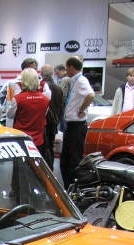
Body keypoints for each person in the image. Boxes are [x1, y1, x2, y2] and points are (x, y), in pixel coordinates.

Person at [60, 55, 94, 189]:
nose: (66, 70)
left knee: (73, 160)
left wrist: (81, 109)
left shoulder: (81, 80)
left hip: (77, 126)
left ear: (71, 67)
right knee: (66, 160)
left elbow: (91, 95)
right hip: (72, 126)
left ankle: (74, 188)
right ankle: (68, 186)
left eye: (67, 68)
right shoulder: (75, 80)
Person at [5, 68, 49, 161]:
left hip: (21, 139)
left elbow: (9, 115)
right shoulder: (45, 99)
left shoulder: (18, 99)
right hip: (38, 140)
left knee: (20, 168)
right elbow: (44, 115)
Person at [40, 64, 62, 168]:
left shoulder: (40, 87)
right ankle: (51, 170)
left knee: (43, 149)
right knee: (50, 147)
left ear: (41, 73)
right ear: (53, 73)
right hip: (54, 123)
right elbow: (61, 107)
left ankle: (44, 172)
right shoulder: (58, 88)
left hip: (43, 123)